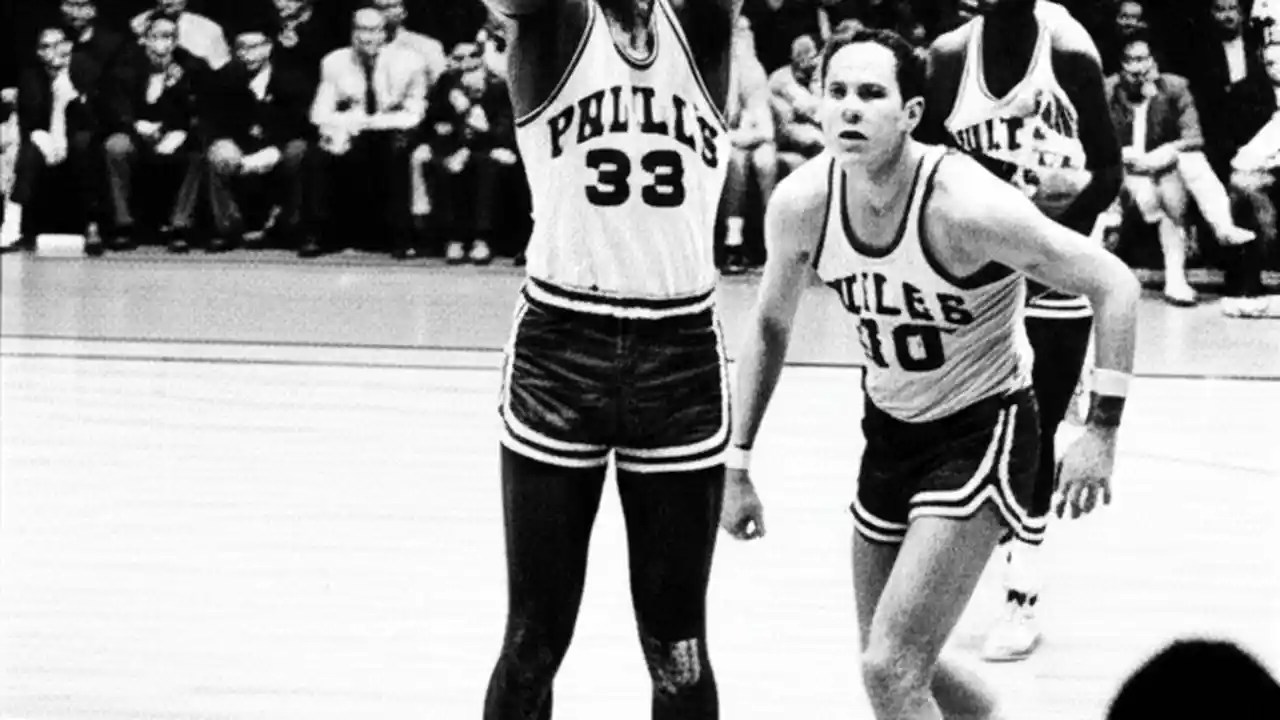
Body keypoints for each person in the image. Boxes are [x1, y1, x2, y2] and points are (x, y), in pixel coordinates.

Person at [719, 27, 1139, 720]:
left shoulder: (966, 207)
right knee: (890, 661)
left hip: (983, 428)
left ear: (911, 114)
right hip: (889, 431)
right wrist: (737, 462)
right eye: (837, 93)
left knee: (891, 668)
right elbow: (768, 324)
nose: (850, 108)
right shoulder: (800, 204)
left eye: (871, 94)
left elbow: (1115, 284)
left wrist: (1102, 431)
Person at [479, 0, 739, 718]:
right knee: (533, 640)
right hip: (562, 346)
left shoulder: (704, 25)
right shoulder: (552, 25)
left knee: (678, 648)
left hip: (679, 352)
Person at [915, 0, 1124, 662]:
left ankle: (1021, 590)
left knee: (1035, 426)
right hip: (974, 273)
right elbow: (929, 168)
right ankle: (941, 578)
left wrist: (1053, 236)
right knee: (958, 424)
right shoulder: (948, 61)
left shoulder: (1068, 60)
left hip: (1051, 273)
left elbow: (1109, 170)